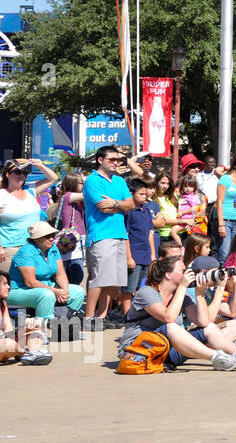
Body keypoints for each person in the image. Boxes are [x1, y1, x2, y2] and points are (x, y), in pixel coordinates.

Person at [119, 256, 236, 370]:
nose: (187, 274)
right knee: (172, 327)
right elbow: (168, 317)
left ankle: (235, 353)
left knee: (220, 327)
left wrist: (201, 292)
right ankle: (219, 356)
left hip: (166, 349)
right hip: (139, 350)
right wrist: (182, 286)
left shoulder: (182, 296)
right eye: (182, 271)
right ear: (168, 275)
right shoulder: (147, 292)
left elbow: (205, 322)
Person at [8, 221, 87, 349]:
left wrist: (64, 291)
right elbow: (30, 282)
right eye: (47, 236)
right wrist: (56, 292)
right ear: (36, 239)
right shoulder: (25, 252)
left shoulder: (53, 248)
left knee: (78, 292)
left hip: (46, 287)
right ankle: (40, 335)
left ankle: (63, 331)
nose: (51, 238)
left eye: (53, 235)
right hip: (18, 290)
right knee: (46, 294)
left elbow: (60, 273)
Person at [83, 145, 136, 331]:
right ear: (100, 160)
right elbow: (102, 207)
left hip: (119, 234)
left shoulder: (120, 181)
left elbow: (131, 204)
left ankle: (101, 317)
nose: (116, 163)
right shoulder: (92, 180)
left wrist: (115, 203)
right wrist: (121, 205)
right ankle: (89, 317)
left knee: (112, 281)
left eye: (118, 160)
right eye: (112, 159)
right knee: (98, 279)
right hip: (101, 235)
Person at [0, 157, 61, 259]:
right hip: (11, 248)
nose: (22, 175)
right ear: (7, 174)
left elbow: (53, 178)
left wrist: (40, 165)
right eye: (18, 172)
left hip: (35, 245)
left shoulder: (30, 190)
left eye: (24, 173)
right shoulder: (2, 195)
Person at [123, 178, 157, 301]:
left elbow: (149, 233)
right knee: (129, 288)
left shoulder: (146, 210)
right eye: (141, 194)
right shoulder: (129, 212)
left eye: (145, 193)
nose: (144, 196)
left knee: (142, 288)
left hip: (146, 255)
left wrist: (153, 254)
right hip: (134, 255)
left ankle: (135, 313)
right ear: (131, 194)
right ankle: (125, 315)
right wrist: (129, 257)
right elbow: (125, 235)